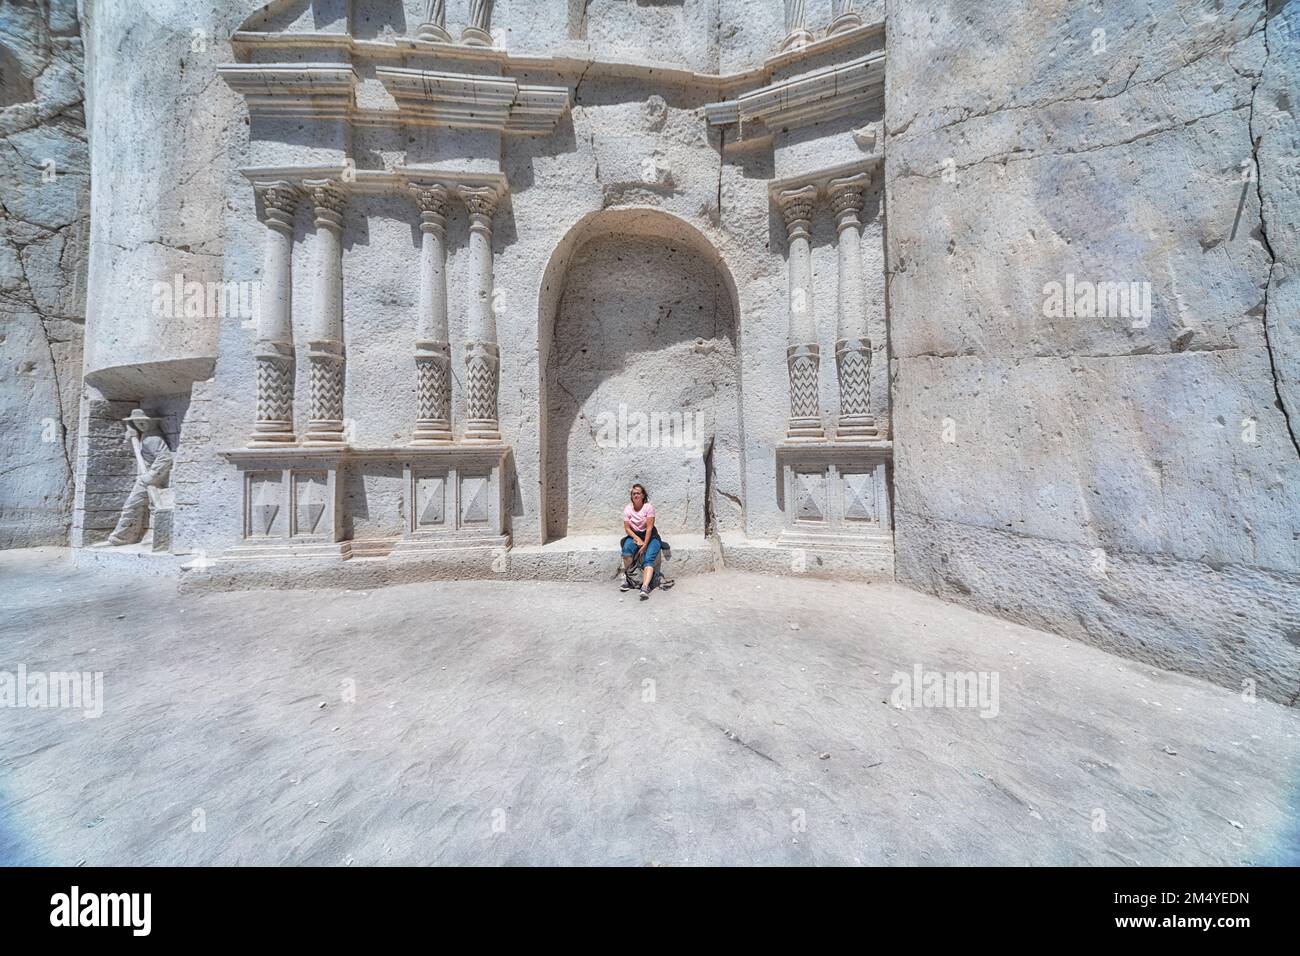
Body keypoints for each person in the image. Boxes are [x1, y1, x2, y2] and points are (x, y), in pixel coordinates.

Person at [107, 409, 174, 546]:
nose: (140, 424)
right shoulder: (146, 436)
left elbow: (165, 458)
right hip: (145, 478)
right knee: (150, 506)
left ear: (153, 421)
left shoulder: (153, 438)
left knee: (134, 505)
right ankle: (142, 536)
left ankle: (123, 537)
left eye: (144, 421)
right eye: (137, 422)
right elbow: (141, 456)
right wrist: (130, 440)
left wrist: (151, 476)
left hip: (150, 479)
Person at [620, 483, 672, 600]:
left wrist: (645, 545)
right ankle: (628, 579)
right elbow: (627, 528)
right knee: (627, 550)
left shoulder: (648, 507)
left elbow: (649, 528)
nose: (636, 495)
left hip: (651, 536)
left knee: (648, 558)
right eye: (634, 493)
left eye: (638, 493)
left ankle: (645, 587)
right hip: (635, 535)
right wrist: (637, 539)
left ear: (643, 495)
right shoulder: (628, 509)